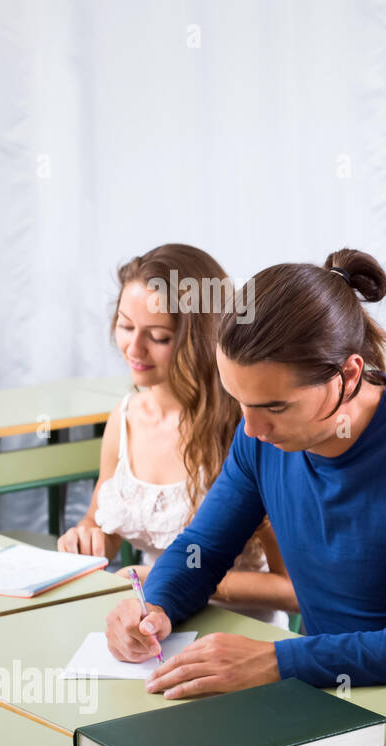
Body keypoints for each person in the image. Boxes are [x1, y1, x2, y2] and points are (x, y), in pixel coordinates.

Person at [102, 249, 386, 698]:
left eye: (276, 406)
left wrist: (282, 661)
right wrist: (154, 605)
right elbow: (202, 550)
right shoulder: (261, 437)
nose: (253, 428)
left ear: (349, 375)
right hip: (331, 691)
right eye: (239, 400)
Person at [59, 244, 295, 626]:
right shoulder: (125, 417)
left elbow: (292, 590)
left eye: (158, 336)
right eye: (125, 326)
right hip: (153, 618)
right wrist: (87, 537)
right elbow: (102, 524)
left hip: (240, 630)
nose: (133, 348)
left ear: (201, 338)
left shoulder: (249, 429)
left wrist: (176, 578)